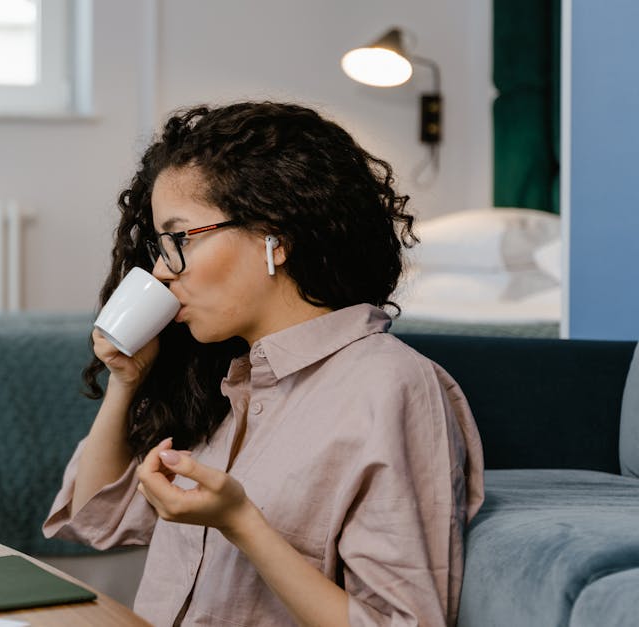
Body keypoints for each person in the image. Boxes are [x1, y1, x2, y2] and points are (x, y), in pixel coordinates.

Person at [43, 101, 485, 627]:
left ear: (275, 237)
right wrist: (126, 382)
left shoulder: (389, 386)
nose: (161, 271)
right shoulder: (229, 383)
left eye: (178, 240)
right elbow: (96, 521)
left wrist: (241, 523)